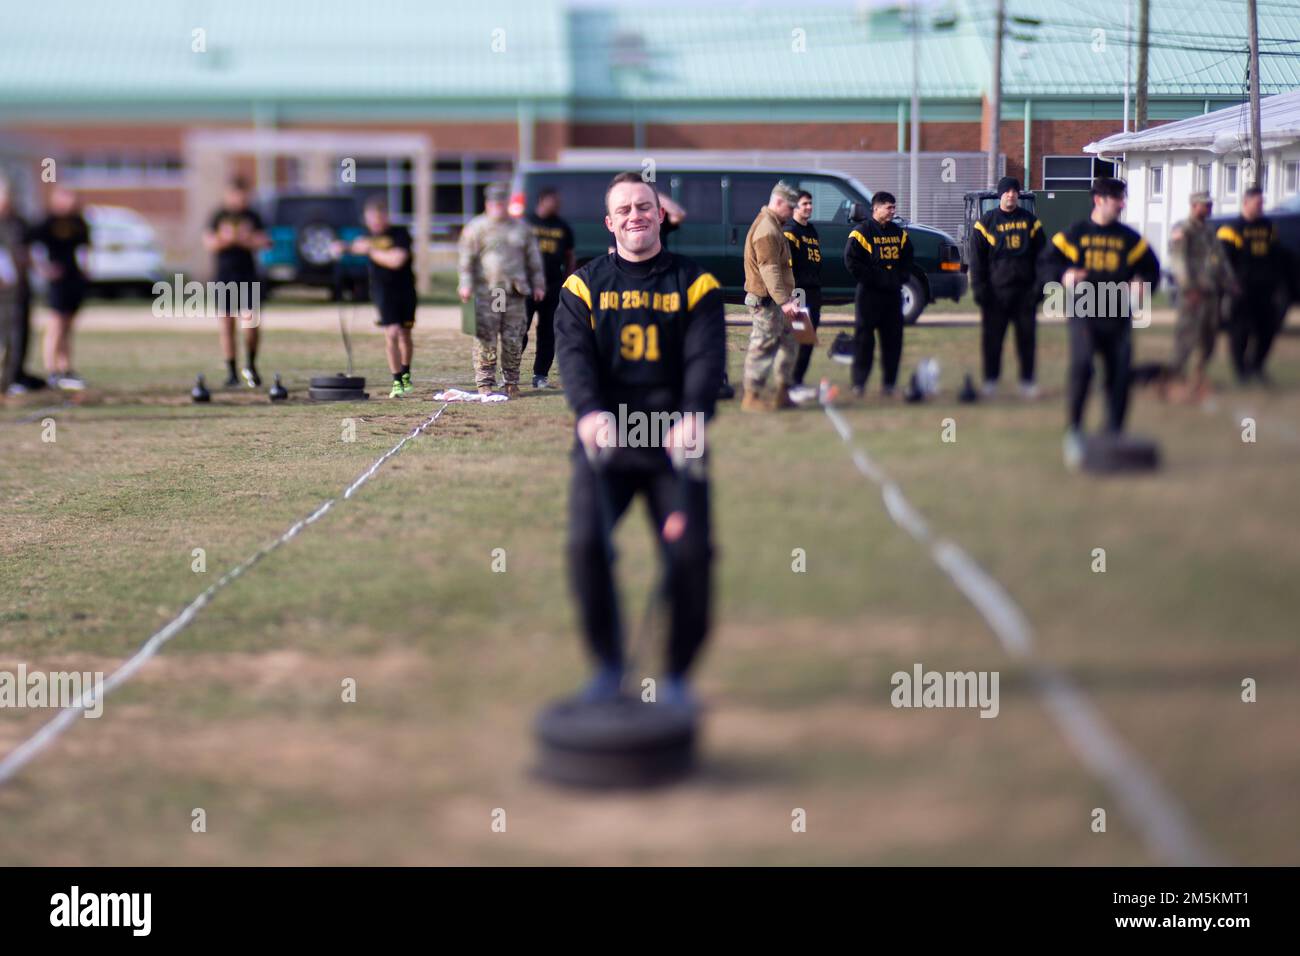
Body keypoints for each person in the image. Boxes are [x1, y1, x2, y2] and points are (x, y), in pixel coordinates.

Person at [554, 171, 725, 709]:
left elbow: (705, 358)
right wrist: (588, 415)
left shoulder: (695, 284)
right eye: (624, 209)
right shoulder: (582, 287)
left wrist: (694, 415)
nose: (635, 215)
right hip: (608, 439)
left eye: (644, 207)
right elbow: (575, 360)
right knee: (586, 546)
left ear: (660, 215)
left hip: (674, 441)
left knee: (691, 555)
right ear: (609, 223)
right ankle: (607, 665)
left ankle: (675, 675)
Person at [1039, 177, 1160, 469]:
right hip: (1085, 312)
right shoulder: (1076, 234)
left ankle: (1114, 432)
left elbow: (1152, 269)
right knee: (1082, 367)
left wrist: (1143, 284)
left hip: (1118, 315)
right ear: (1099, 200)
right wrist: (1064, 275)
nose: (1122, 203)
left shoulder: (1129, 239)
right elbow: (1046, 263)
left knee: (1119, 374)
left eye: (1123, 198)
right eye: (1116, 198)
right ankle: (1075, 431)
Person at [457, 182, 545, 399]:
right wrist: (465, 283)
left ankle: (511, 382)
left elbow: (533, 259)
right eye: (494, 202)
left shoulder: (521, 228)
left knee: (513, 337)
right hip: (490, 292)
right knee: (486, 337)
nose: (498, 206)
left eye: (502, 202)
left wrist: (539, 284)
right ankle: (485, 382)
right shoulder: (476, 228)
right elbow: (466, 260)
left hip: (514, 291)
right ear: (488, 203)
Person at [970, 176, 1045, 399]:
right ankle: (991, 381)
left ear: (1018, 194)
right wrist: (979, 289)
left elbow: (1043, 257)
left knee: (1027, 339)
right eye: (1007, 191)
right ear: (1000, 194)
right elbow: (976, 261)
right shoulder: (985, 223)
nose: (1011, 195)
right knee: (992, 339)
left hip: (1025, 292)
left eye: (1014, 191)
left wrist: (1039, 288)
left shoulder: (1031, 222)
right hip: (996, 294)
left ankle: (1027, 382)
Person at [338, 197, 417, 399]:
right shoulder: (366, 237)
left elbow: (397, 260)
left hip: (405, 289)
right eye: (371, 218)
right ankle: (397, 379)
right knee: (392, 332)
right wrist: (342, 248)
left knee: (405, 334)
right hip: (383, 292)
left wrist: (371, 250)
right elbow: (353, 246)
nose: (375, 222)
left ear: (386, 217)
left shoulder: (400, 234)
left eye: (379, 217)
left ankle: (406, 372)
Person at [1166, 191, 1235, 401]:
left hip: (1210, 293)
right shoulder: (1183, 230)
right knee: (1186, 336)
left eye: (1210, 204)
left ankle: (1199, 378)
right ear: (1194, 205)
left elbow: (1219, 259)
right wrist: (1188, 287)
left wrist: (1230, 281)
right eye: (1205, 205)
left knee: (1208, 337)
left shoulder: (1209, 231)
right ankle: (1175, 376)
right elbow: (1178, 261)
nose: (1209, 208)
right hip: (1193, 293)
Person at [1217, 185, 1289, 386]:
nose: (1261, 206)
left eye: (1262, 203)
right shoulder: (1230, 230)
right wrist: (1230, 286)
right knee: (1240, 332)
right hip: (1241, 291)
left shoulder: (1267, 227)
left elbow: (1276, 256)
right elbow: (1223, 263)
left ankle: (1256, 367)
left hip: (1265, 290)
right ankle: (1241, 373)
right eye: (1258, 203)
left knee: (1267, 330)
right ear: (1246, 203)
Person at [844, 190, 912, 398]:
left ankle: (889, 384)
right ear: (876, 208)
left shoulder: (899, 233)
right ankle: (859, 383)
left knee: (893, 340)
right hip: (869, 295)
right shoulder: (861, 232)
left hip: (892, 295)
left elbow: (907, 260)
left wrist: (897, 279)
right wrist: (875, 278)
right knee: (864, 340)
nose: (892, 211)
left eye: (894, 207)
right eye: (888, 207)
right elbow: (851, 262)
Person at [741, 181, 801, 411]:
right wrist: (785, 302)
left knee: (790, 342)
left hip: (780, 300)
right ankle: (751, 396)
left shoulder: (774, 225)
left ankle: (782, 392)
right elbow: (770, 269)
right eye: (790, 207)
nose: (793, 212)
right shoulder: (767, 229)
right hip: (767, 302)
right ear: (778, 202)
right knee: (763, 345)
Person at [203, 177, 268, 388]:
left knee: (251, 323)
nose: (240, 199)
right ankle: (231, 372)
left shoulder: (253, 216)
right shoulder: (218, 215)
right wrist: (227, 238)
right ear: (228, 194)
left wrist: (242, 238)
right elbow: (210, 243)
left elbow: (265, 242)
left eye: (243, 195)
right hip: (224, 276)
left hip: (247, 276)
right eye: (235, 195)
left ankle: (250, 365)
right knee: (227, 324)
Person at [27, 187, 90, 391]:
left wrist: (86, 268)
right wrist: (43, 269)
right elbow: (31, 247)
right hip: (57, 282)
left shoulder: (78, 221)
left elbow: (85, 248)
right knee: (56, 324)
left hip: (74, 279)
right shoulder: (47, 222)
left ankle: (66, 368)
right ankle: (52, 370)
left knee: (68, 326)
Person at [522, 187, 574, 389]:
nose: (557, 206)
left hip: (552, 286)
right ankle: (510, 372)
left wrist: (567, 280)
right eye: (554, 201)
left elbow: (570, 256)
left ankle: (540, 374)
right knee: (519, 330)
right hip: (525, 286)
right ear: (542, 201)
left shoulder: (562, 227)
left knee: (547, 332)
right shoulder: (527, 224)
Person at [0, 178, 40, 396]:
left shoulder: (20, 223)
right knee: (7, 334)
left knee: (20, 333)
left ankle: (14, 377)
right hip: (3, 291)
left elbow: (30, 251)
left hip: (20, 288)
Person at [784, 189, 823, 399]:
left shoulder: (811, 230)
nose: (808, 207)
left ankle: (797, 382)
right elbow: (787, 267)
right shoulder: (791, 231)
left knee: (809, 339)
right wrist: (792, 296)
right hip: (799, 292)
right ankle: (791, 384)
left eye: (810, 203)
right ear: (794, 207)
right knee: (800, 339)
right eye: (804, 203)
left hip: (814, 291)